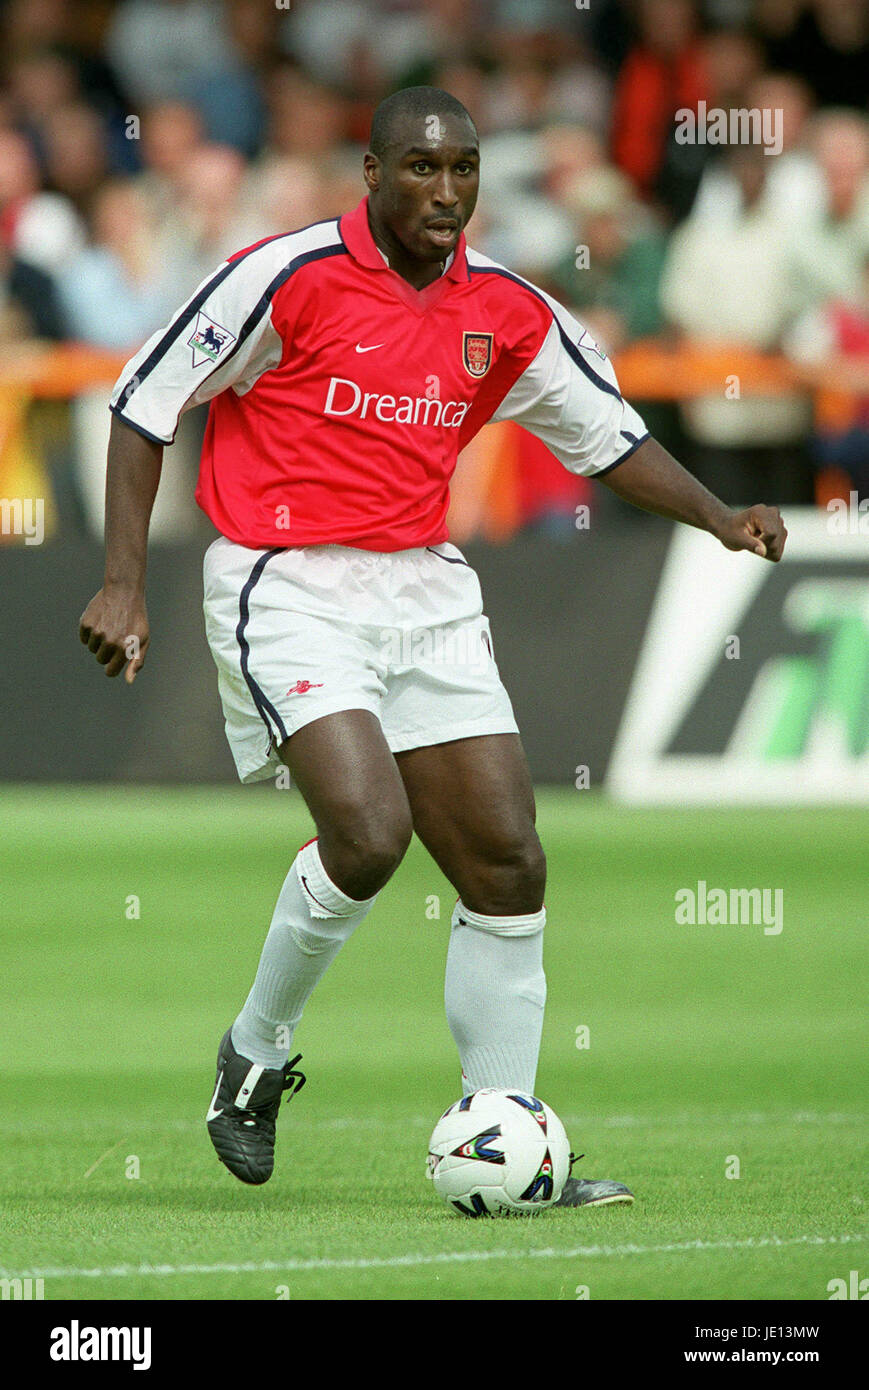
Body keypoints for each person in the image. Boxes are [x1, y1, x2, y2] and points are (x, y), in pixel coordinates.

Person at [79, 87, 787, 1207]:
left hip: (424, 585)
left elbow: (606, 434)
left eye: (461, 169)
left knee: (506, 858)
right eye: (420, 168)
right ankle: (253, 1055)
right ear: (369, 174)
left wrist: (716, 513)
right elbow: (144, 399)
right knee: (366, 835)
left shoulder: (506, 310)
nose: (445, 191)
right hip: (287, 577)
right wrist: (124, 580)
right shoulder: (290, 274)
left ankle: (507, 1131)